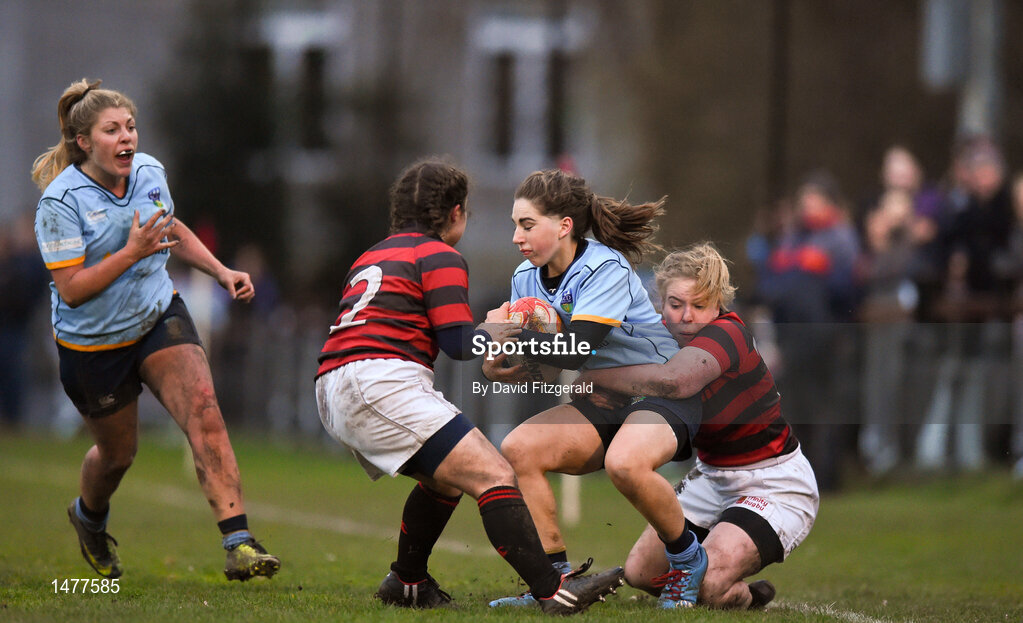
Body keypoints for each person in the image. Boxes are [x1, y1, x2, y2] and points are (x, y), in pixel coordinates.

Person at [314, 159, 624, 614]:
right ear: (456, 212)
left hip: (335, 383)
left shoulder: (373, 254)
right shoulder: (438, 254)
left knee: (446, 481)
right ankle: (553, 592)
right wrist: (502, 330)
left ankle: (407, 581)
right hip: (379, 380)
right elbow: (459, 343)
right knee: (495, 475)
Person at [31, 78, 280, 581]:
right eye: (111, 130)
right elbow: (74, 289)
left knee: (205, 413)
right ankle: (89, 517)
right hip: (93, 346)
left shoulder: (148, 172)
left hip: (156, 315)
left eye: (131, 127)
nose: (127, 138)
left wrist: (221, 270)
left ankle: (239, 543)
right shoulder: (60, 204)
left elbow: (171, 228)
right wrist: (130, 252)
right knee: (118, 456)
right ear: (84, 142)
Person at [483, 169, 705, 609]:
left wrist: (509, 336)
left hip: (658, 391)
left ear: (564, 226)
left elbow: (579, 346)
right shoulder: (524, 279)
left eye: (526, 225)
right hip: (603, 398)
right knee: (519, 449)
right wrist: (498, 363)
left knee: (624, 464)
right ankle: (555, 581)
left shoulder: (605, 267)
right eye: (515, 225)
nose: (516, 237)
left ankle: (688, 559)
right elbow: (546, 366)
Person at [576, 242, 819, 609]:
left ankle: (744, 596)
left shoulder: (728, 333)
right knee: (642, 573)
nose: (686, 316)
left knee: (706, 585)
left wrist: (599, 375)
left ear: (718, 304)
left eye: (700, 305)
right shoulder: (653, 338)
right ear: (661, 302)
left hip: (774, 482)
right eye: (676, 304)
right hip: (710, 476)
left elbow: (676, 381)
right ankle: (736, 587)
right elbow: (591, 357)